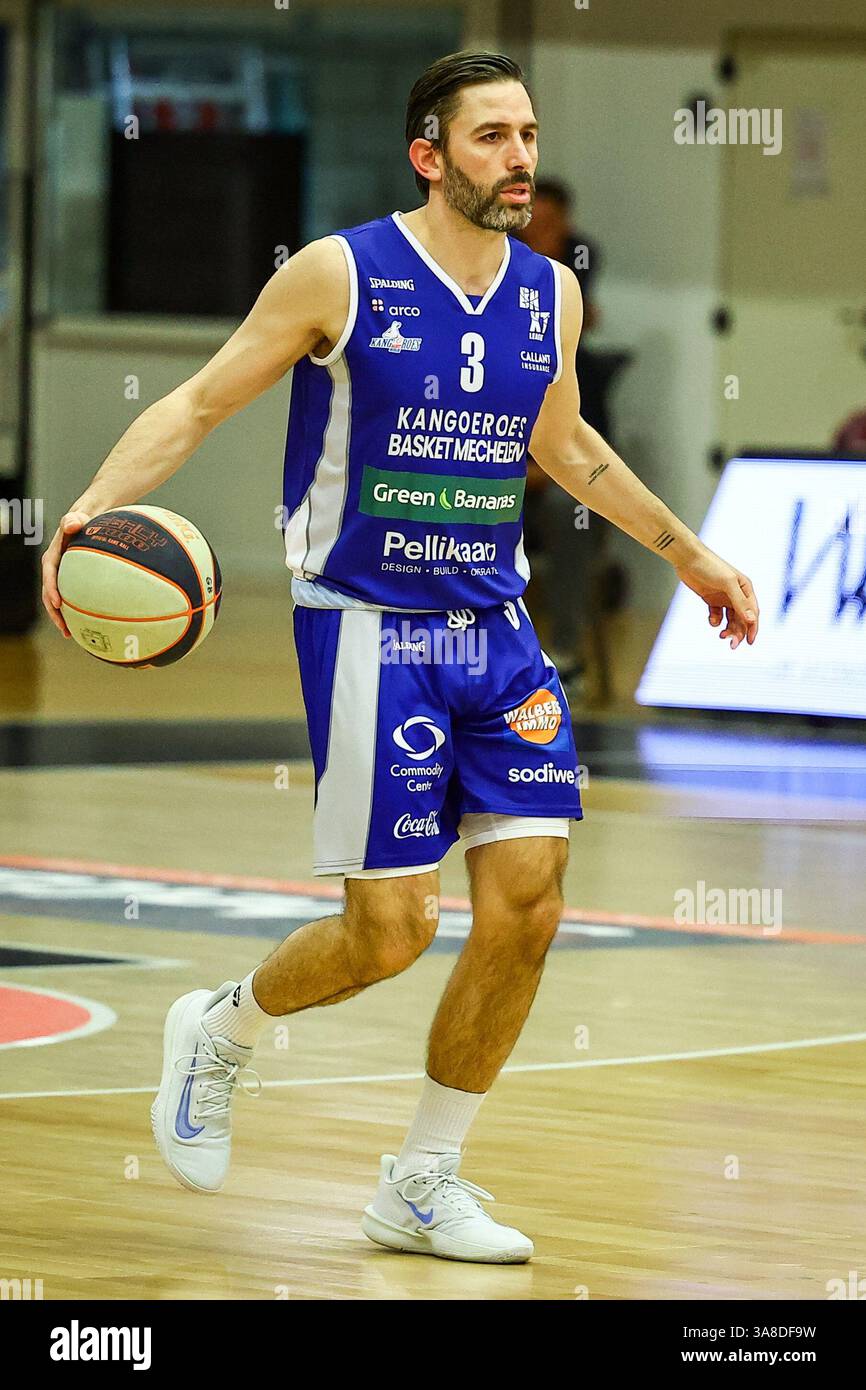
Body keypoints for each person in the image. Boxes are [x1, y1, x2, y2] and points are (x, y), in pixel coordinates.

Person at [41, 50, 759, 1265]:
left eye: (525, 133)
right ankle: (221, 1030)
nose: (518, 156)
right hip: (370, 628)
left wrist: (688, 552)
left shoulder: (548, 293)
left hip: (497, 631)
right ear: (429, 155)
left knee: (526, 906)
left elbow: (564, 445)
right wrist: (86, 511)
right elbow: (203, 401)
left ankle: (421, 1180)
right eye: (490, 137)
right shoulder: (340, 272)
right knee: (388, 934)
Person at [518, 178, 615, 698]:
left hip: (552, 485)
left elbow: (585, 445)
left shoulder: (583, 360)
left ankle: (564, 648)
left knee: (569, 511)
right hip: (493, 475)